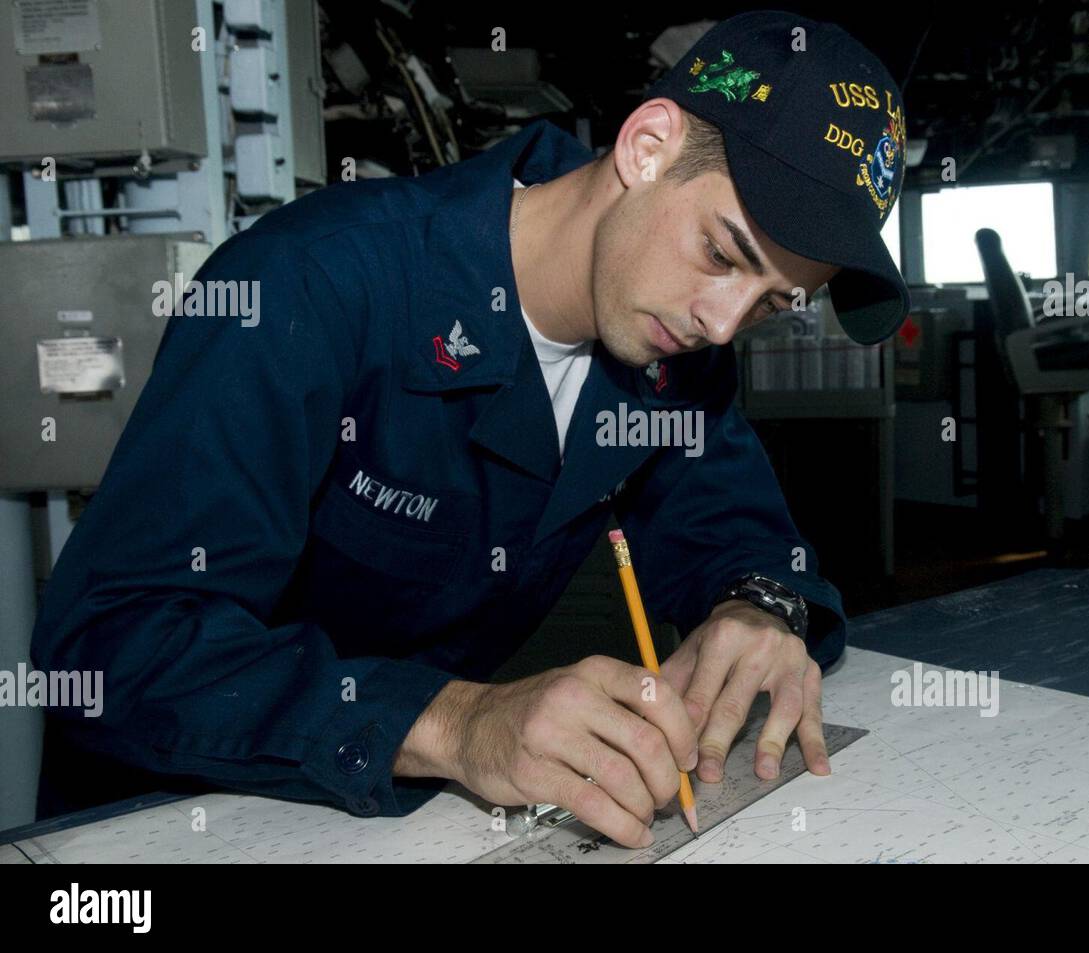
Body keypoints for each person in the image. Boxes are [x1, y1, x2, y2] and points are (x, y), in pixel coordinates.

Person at [31, 10, 909, 849]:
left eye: (772, 303)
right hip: (167, 819)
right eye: (723, 253)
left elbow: (734, 527)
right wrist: (454, 718)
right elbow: (112, 641)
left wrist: (759, 608)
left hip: (390, 825)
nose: (724, 321)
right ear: (648, 147)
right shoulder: (307, 288)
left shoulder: (673, 346)